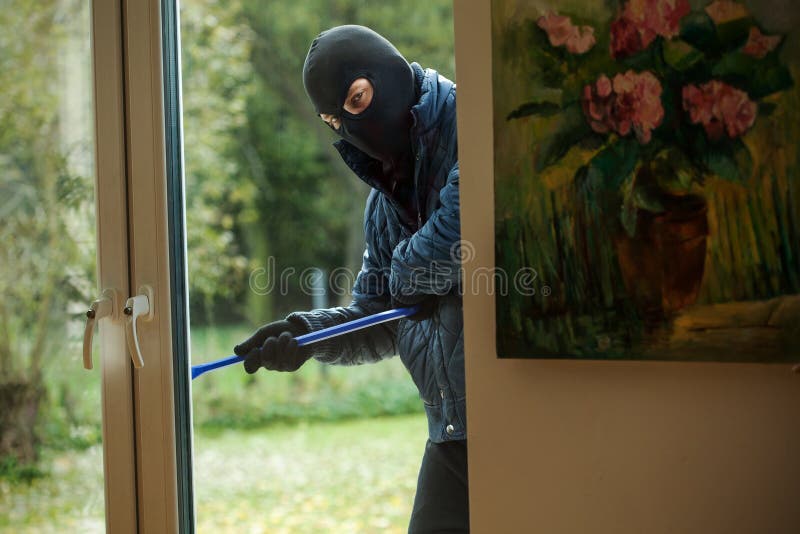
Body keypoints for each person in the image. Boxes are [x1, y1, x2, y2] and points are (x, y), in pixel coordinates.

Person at [233, 24, 467, 533]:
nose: (352, 130)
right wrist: (308, 334)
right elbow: (382, 317)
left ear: (390, 75)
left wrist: (405, 277)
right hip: (453, 435)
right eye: (334, 120)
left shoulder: (475, 128)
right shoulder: (383, 203)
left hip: (527, 415)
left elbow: (460, 232)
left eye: (358, 100)